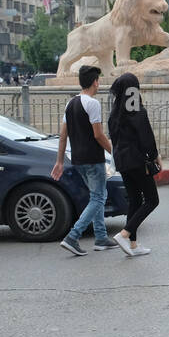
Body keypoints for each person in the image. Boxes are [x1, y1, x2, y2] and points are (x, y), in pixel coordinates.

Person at [51, 65, 117, 255]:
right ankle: (73, 237)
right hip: (93, 158)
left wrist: (59, 161)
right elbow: (98, 134)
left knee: (97, 196)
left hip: (78, 159)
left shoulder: (70, 103)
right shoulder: (93, 104)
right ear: (95, 82)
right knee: (98, 197)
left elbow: (63, 136)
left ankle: (101, 237)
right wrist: (115, 152)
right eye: (98, 80)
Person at [107, 72, 160, 257]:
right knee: (152, 200)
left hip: (122, 162)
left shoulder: (114, 113)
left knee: (135, 201)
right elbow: (146, 138)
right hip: (137, 161)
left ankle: (134, 244)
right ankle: (124, 234)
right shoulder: (137, 111)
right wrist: (154, 156)